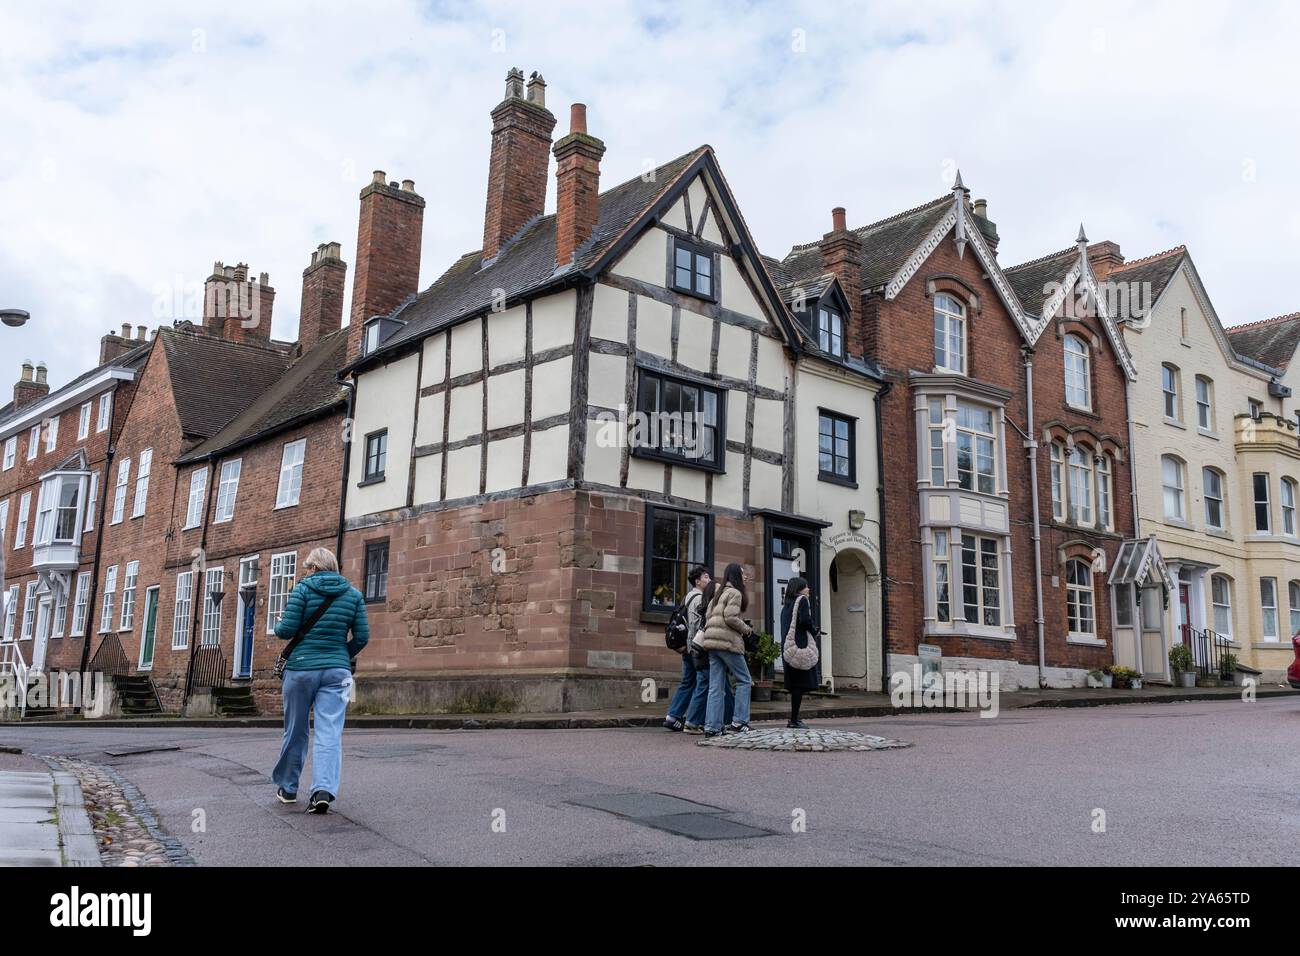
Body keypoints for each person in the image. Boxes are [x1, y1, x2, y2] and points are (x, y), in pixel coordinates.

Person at [270, 547, 369, 814]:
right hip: (337, 673)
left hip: (301, 669)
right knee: (330, 732)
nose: (306, 572)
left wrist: (279, 623)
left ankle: (289, 788)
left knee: (296, 729)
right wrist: (339, 656)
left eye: (307, 567)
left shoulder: (302, 590)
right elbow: (362, 637)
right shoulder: (354, 595)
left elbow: (287, 630)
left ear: (314, 567)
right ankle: (323, 790)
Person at [697, 562, 754, 736]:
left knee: (716, 686)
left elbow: (708, 616)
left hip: (712, 644)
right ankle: (739, 722)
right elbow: (730, 617)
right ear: (736, 575)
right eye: (743, 574)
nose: (746, 577)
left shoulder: (718, 593)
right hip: (727, 643)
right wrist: (747, 630)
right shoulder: (735, 593)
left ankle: (712, 727)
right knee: (745, 680)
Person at [663, 566, 710, 732]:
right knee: (702, 682)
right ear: (697, 581)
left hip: (687, 647)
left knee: (688, 681)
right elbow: (696, 626)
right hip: (695, 647)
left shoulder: (687, 597)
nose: (709, 579)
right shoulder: (698, 599)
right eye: (705, 577)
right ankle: (693, 720)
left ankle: (673, 716)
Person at [684, 578, 734, 733]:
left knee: (705, 686)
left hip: (700, 652)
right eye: (719, 590)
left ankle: (694, 721)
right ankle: (727, 721)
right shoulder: (712, 609)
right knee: (715, 688)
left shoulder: (705, 607)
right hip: (707, 653)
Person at [779, 576, 819, 728]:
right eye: (806, 586)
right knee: (799, 685)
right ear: (799, 589)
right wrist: (814, 630)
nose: (809, 589)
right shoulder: (802, 600)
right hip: (800, 647)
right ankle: (794, 720)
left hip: (788, 648)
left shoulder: (786, 606)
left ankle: (794, 718)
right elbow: (805, 620)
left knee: (795, 684)